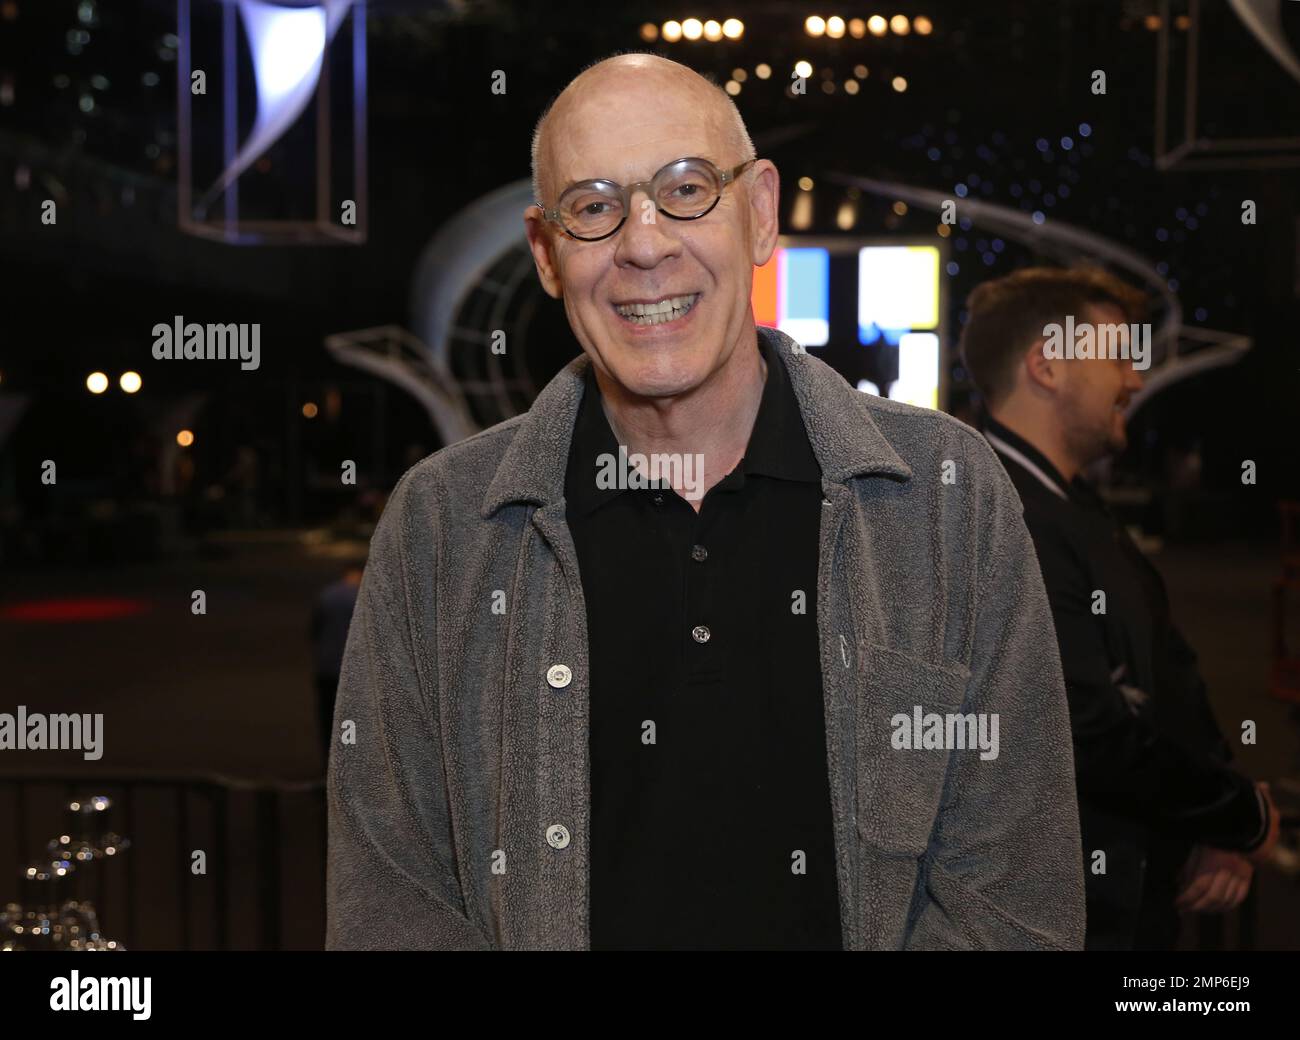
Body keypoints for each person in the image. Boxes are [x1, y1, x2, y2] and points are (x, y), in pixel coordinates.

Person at [325, 53, 1085, 950]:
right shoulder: (441, 528)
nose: (645, 244)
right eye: (596, 206)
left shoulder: (946, 498)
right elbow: (388, 906)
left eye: (686, 189)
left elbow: (1014, 898)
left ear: (760, 212)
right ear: (547, 253)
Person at [958, 266, 1279, 949]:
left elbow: (1168, 671)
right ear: (1047, 365)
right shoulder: (999, 512)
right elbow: (1087, 729)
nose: (1134, 382)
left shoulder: (1070, 502)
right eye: (1116, 358)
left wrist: (1214, 819)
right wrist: (1239, 814)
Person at [311, 565, 363, 761]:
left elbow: (315, 630)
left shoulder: (327, 595)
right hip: (351, 669)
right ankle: (346, 757)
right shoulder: (361, 596)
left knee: (326, 714)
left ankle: (328, 759)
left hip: (326, 666)